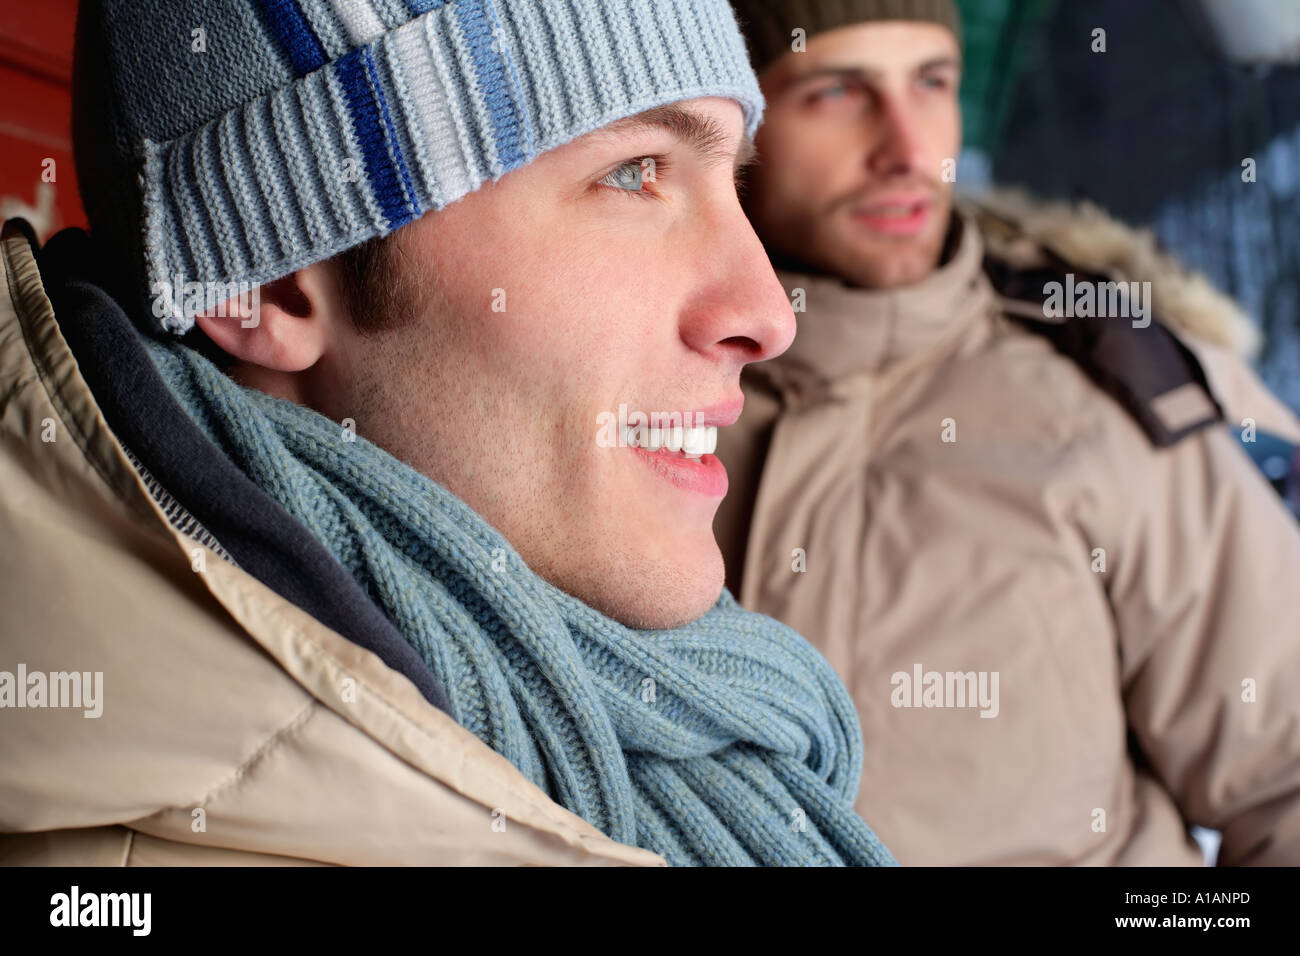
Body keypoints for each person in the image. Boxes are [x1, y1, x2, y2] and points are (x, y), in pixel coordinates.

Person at [0, 0, 895, 867]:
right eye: (634, 171)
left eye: (731, 180)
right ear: (271, 279)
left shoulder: (708, 746)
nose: (769, 315)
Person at [719, 0, 1300, 865]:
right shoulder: (635, 400)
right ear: (729, 124)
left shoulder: (1105, 394)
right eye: (837, 92)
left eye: (932, 83)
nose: (909, 150)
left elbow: (1283, 777)